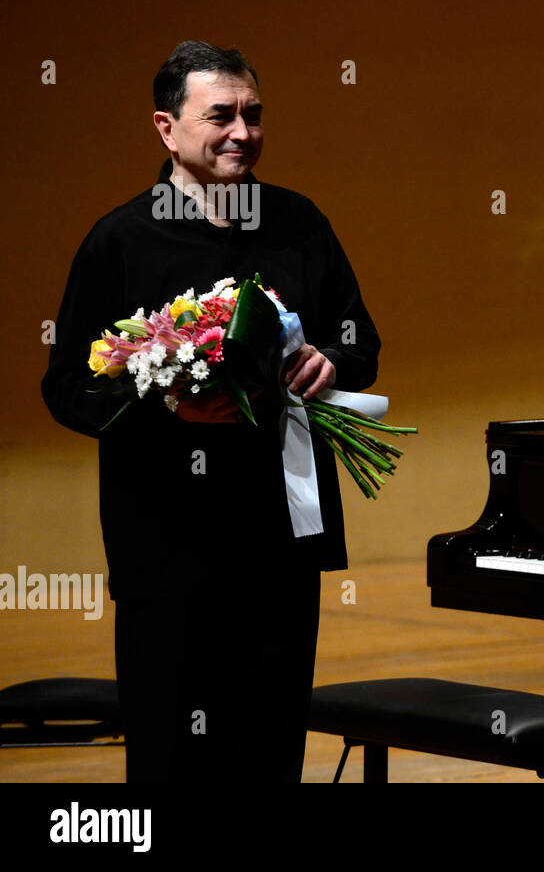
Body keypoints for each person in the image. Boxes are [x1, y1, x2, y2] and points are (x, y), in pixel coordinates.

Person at [41, 41, 381, 783]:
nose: (242, 133)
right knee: (173, 754)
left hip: (277, 544)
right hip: (168, 547)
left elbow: (360, 339)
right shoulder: (120, 240)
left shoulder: (299, 222)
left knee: (270, 747)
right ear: (166, 127)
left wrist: (332, 359)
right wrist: (166, 407)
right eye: (220, 115)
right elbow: (66, 383)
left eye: (254, 116)